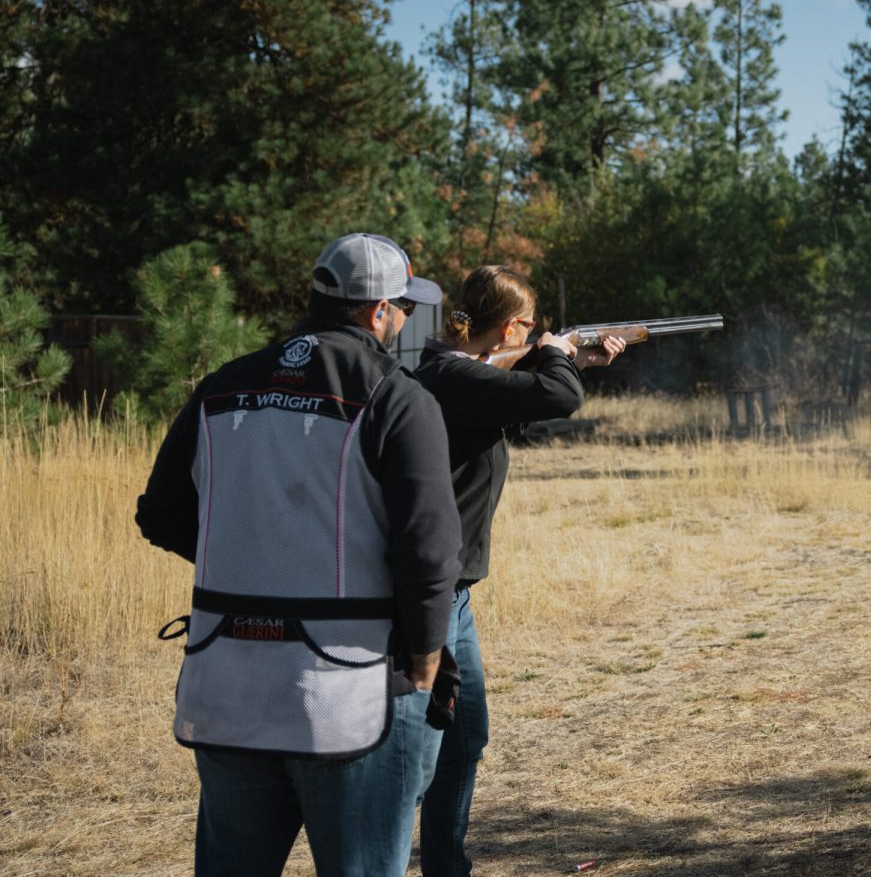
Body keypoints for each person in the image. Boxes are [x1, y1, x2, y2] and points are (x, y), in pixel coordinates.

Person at [134, 233, 462, 877]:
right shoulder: (398, 396)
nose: (401, 320)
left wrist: (258, 562)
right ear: (378, 312)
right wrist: (424, 666)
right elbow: (428, 550)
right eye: (401, 307)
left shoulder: (221, 387)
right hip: (354, 689)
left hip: (228, 678)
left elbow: (161, 515)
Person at [412, 265, 624, 877]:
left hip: (453, 593)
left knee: (462, 741)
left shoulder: (461, 373)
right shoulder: (451, 373)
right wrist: (559, 358)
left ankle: (446, 867)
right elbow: (556, 397)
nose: (540, 334)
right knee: (426, 749)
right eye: (533, 326)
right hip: (432, 592)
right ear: (511, 327)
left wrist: (574, 361)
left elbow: (524, 408)